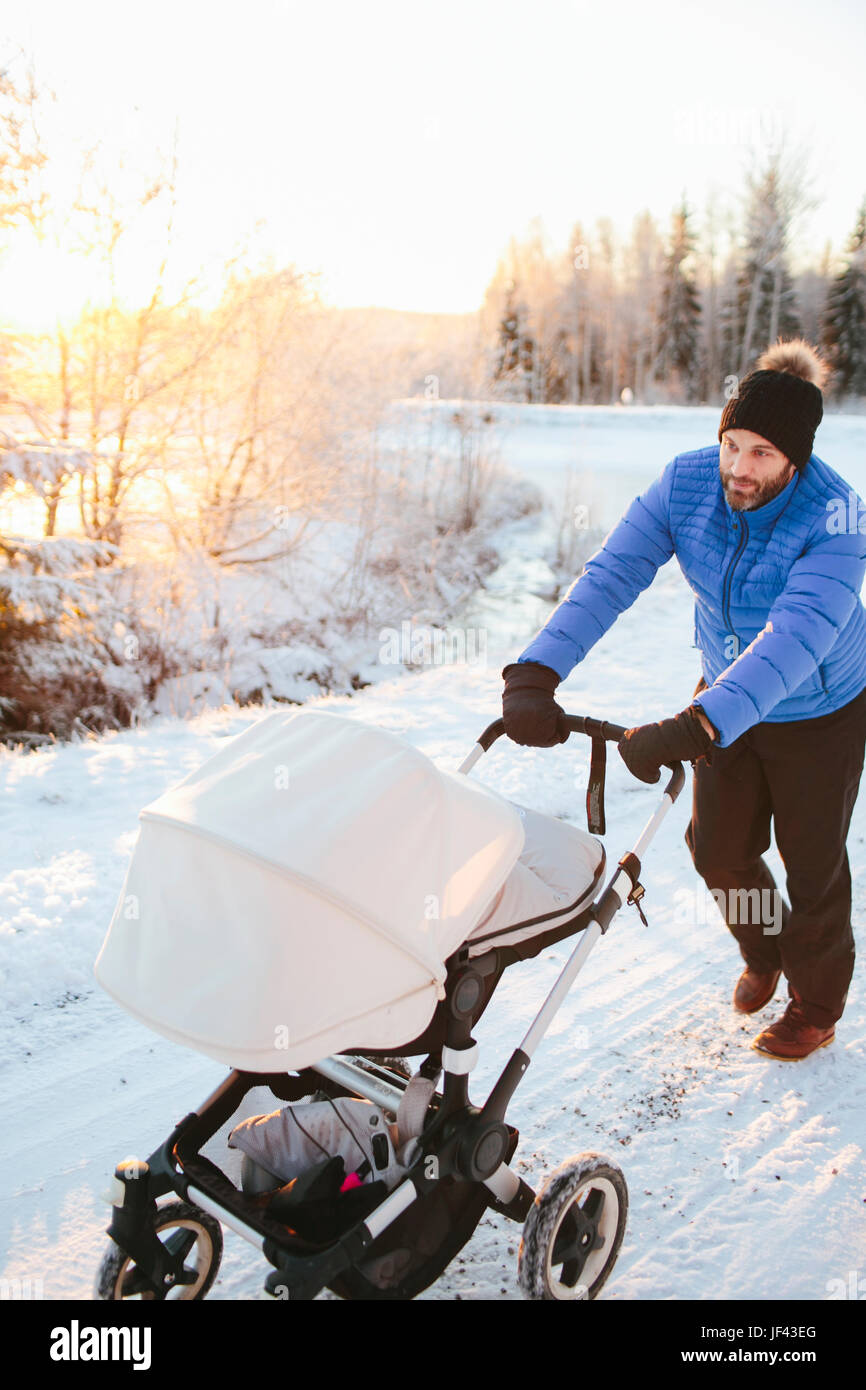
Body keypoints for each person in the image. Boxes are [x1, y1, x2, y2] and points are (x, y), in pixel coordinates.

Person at [501, 339, 866, 1060]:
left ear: (796, 459)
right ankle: (764, 951)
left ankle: (816, 1005)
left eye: (761, 453)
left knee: (811, 861)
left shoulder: (837, 517)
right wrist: (537, 670)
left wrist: (696, 726)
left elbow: (795, 640)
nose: (739, 467)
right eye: (731, 443)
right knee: (718, 850)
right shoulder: (688, 484)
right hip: (724, 692)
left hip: (817, 709)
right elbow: (614, 573)